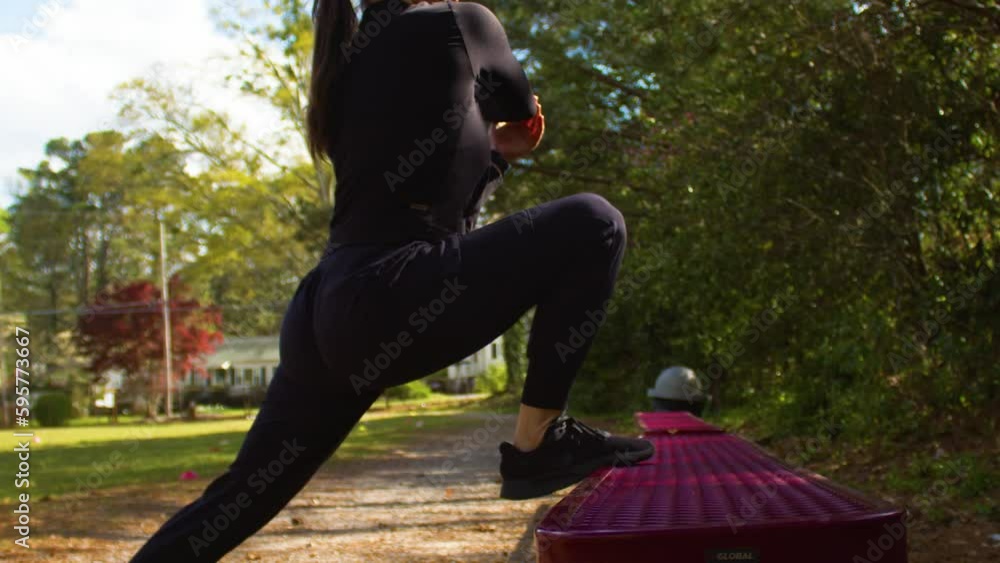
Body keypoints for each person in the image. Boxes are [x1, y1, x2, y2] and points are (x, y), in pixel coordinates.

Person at [130, 1, 653, 560]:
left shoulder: (345, 58)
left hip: (325, 309)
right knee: (594, 223)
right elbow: (522, 113)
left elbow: (436, 180)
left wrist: (496, 156)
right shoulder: (464, 22)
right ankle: (538, 442)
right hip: (390, 293)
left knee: (239, 497)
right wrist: (509, 140)